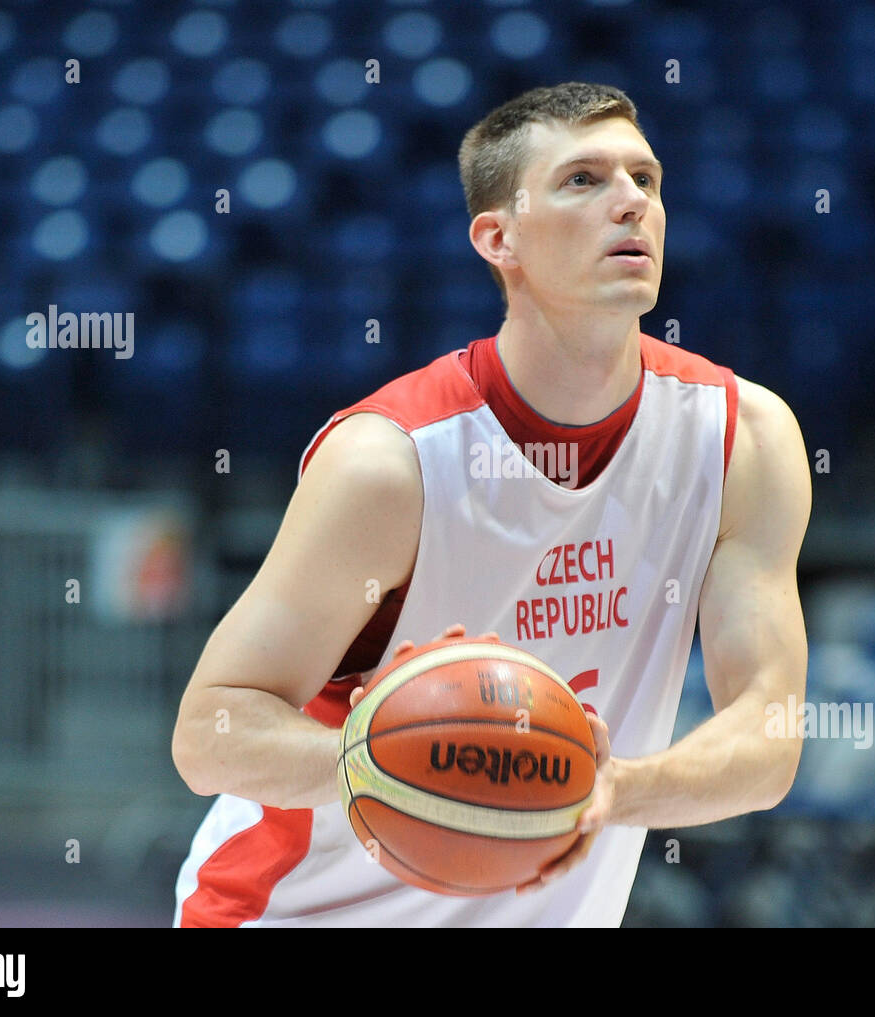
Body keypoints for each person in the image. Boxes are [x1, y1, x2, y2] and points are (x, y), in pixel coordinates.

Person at [170, 81, 811, 927]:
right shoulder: (390, 464)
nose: (630, 203)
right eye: (583, 180)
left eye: (645, 180)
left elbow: (768, 737)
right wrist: (403, 764)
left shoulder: (743, 440)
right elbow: (209, 731)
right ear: (498, 236)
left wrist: (614, 787)